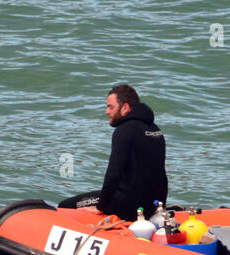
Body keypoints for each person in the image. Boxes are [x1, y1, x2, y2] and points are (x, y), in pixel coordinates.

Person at [60, 84, 167, 221]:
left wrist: (100, 207)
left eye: (111, 107)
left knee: (65, 206)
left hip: (125, 207)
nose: (106, 111)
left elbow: (114, 174)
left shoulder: (124, 130)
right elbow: (161, 174)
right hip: (148, 207)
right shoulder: (155, 130)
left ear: (125, 108)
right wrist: (161, 206)